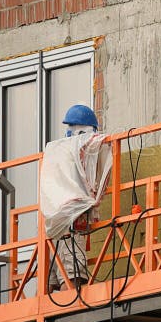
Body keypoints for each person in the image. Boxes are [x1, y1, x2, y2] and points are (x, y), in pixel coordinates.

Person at [48, 104, 102, 291]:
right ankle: (61, 306)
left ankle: (57, 307)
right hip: (65, 218)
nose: (70, 133)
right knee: (65, 274)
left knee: (61, 275)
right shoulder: (71, 153)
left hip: (62, 219)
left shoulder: (66, 151)